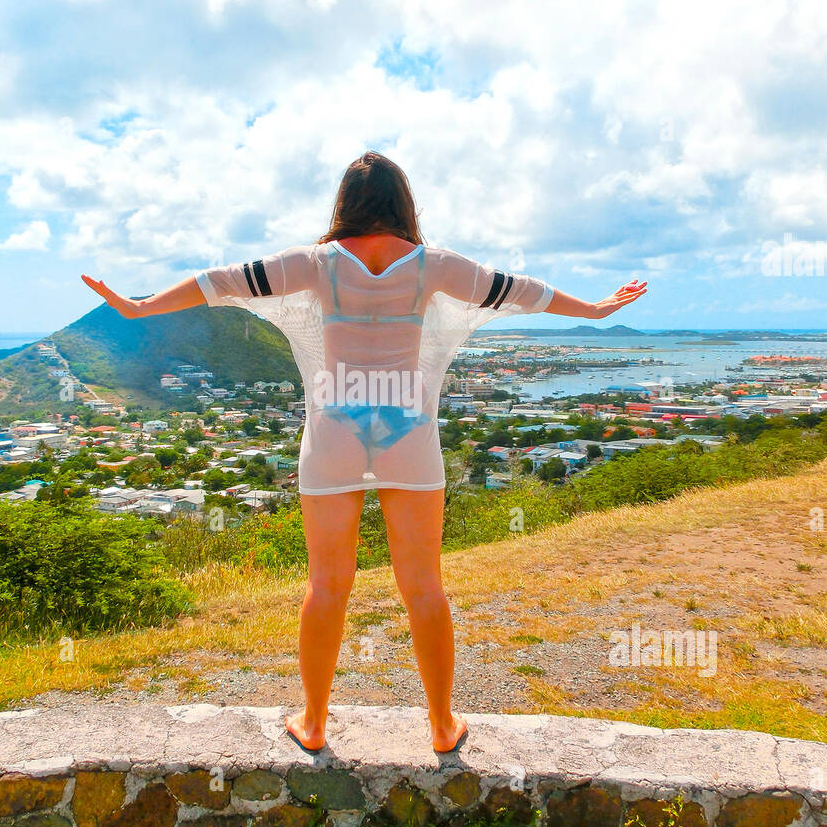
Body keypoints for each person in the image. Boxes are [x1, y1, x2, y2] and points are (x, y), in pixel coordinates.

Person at [81, 151, 647, 752]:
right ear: (404, 203)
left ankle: (316, 722)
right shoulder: (434, 266)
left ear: (344, 204)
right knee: (424, 587)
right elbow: (520, 292)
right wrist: (595, 308)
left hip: (334, 433)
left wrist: (139, 308)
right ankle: (440, 725)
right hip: (407, 433)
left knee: (326, 585)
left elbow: (217, 282)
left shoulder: (316, 264)